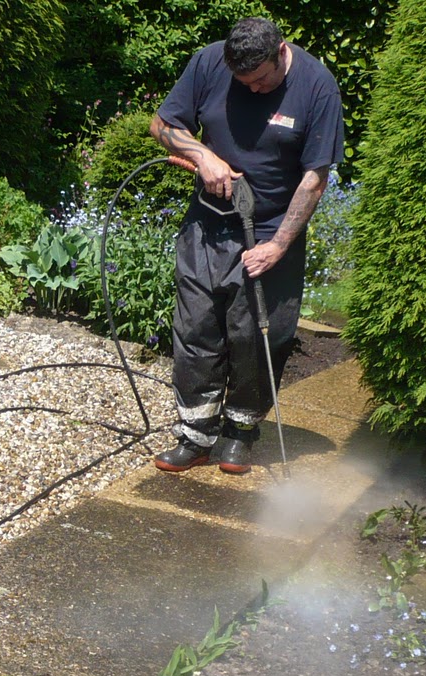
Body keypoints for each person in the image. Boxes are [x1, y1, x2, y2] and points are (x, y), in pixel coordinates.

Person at [148, 17, 345, 474]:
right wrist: (202, 155)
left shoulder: (317, 86)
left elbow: (315, 178)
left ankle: (240, 431)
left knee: (256, 335)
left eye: (261, 81)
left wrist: (278, 245)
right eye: (244, 83)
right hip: (208, 221)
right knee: (195, 328)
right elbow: (163, 123)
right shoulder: (208, 62)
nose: (254, 90)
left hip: (271, 226)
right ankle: (195, 434)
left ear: (281, 53)